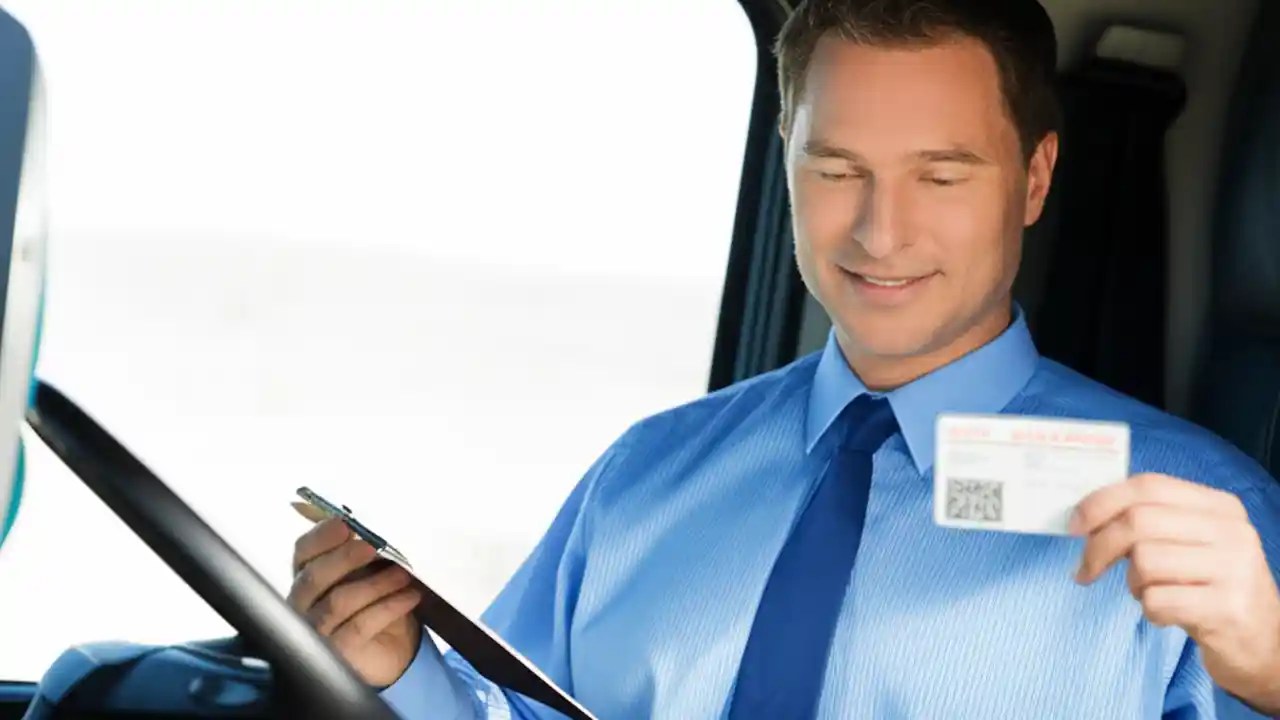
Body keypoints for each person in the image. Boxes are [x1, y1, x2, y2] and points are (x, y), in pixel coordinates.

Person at [288, 0, 1280, 717]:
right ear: (785, 156)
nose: (879, 234)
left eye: (939, 174)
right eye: (836, 169)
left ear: (1032, 178)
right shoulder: (647, 473)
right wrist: (395, 670)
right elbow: (520, 708)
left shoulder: (1202, 517)